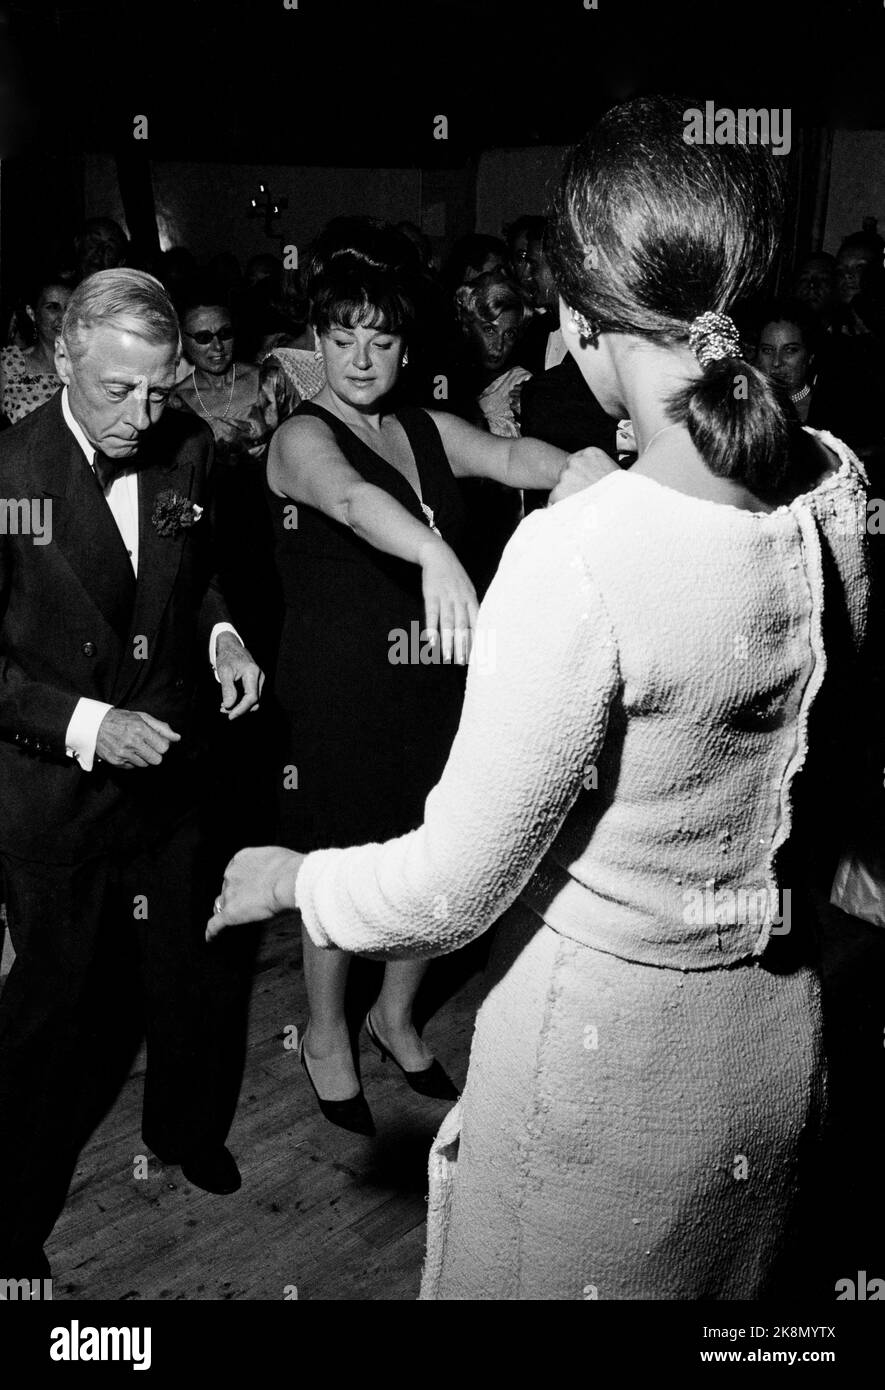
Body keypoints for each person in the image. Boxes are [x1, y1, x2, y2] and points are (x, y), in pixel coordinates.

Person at [208, 94, 874, 1299]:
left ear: (573, 314)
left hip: (605, 1090)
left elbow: (457, 880)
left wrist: (284, 878)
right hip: (776, 1057)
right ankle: (345, 1035)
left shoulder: (572, 557)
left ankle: (383, 1022)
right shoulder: (836, 484)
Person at [259, 244, 566, 1138]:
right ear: (317, 342)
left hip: (433, 679)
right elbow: (353, 502)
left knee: (433, 856)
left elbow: (512, 458)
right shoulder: (300, 436)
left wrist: (593, 473)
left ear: (404, 350)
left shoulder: (425, 425)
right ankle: (324, 1031)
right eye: (343, 336)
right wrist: (434, 548)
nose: (362, 358)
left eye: (382, 341)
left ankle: (392, 1015)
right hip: (337, 689)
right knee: (345, 863)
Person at [0, 268, 264, 1281]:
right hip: (55, 793)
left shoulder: (185, 447)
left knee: (190, 968)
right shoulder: (12, 481)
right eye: (118, 391)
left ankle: (186, 1130)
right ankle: (12, 1222)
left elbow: (192, 582)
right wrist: (86, 722)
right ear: (63, 360)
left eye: (159, 390)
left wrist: (227, 636)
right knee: (49, 1013)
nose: (141, 416)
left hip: (170, 771)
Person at [0, 272, 75, 423]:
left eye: (69, 308)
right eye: (53, 307)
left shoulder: (84, 366)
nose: (63, 317)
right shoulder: (8, 364)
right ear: (32, 313)